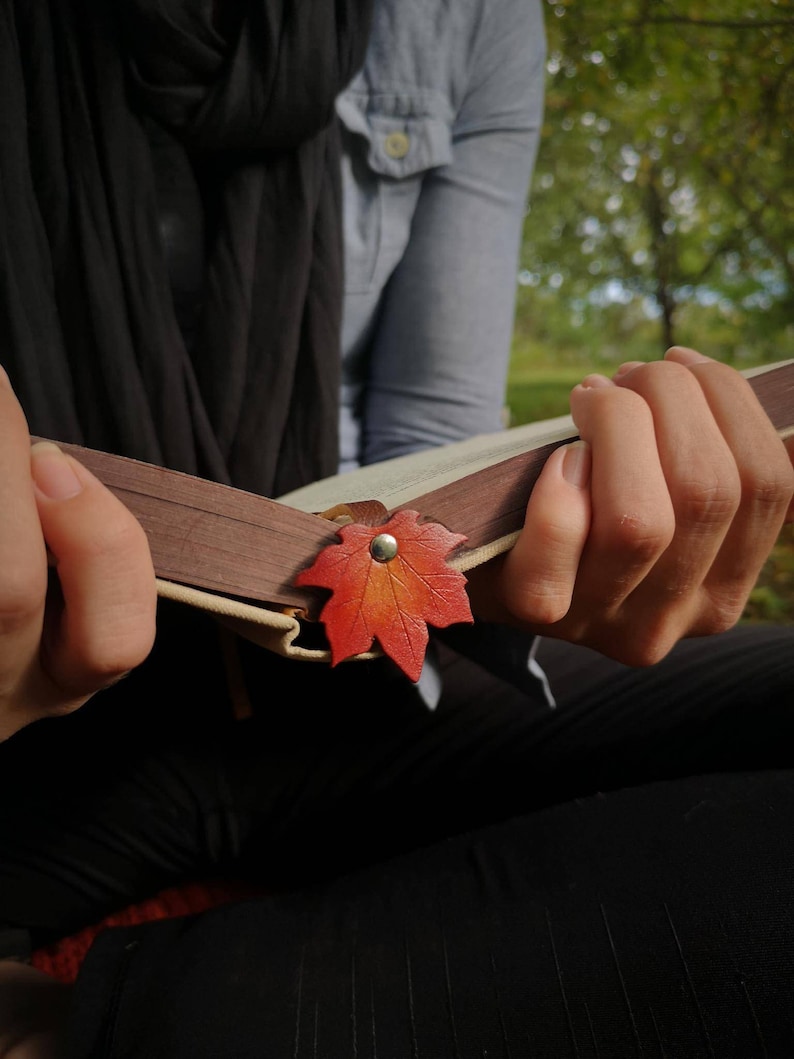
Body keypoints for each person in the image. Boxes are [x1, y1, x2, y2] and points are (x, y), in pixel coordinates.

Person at [2, 2, 794, 1058]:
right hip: (39, 735)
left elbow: (430, 443)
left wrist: (528, 562)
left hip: (351, 678)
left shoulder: (468, 18)